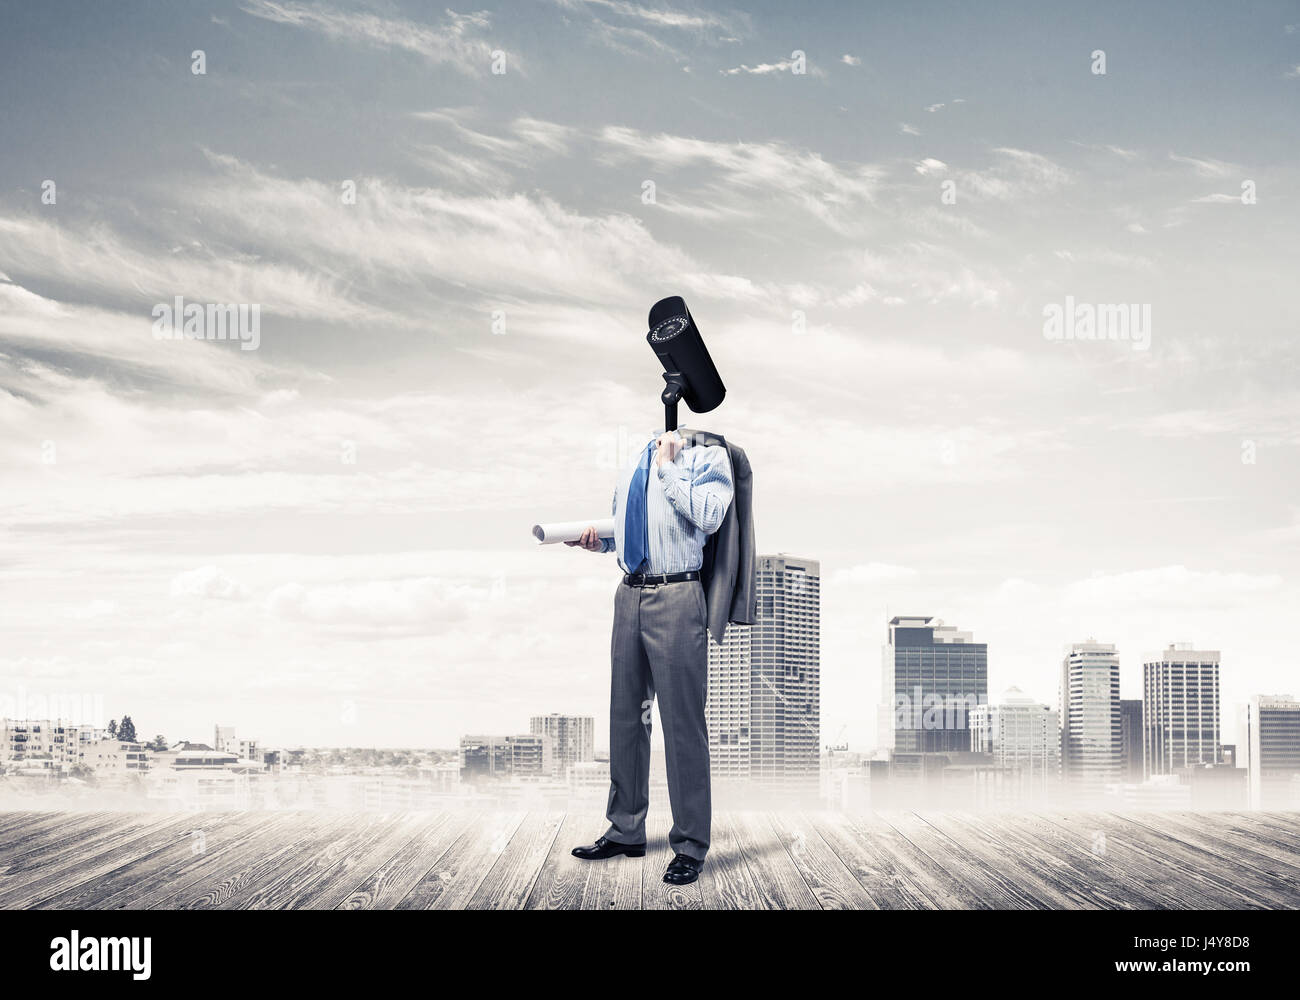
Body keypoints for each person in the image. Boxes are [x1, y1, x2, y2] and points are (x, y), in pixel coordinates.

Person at [566, 427, 734, 885]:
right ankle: (625, 830)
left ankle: (691, 846)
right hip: (628, 595)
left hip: (677, 593)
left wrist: (667, 466)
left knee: (682, 725)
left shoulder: (707, 457)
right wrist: (599, 542)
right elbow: (627, 529)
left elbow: (710, 516)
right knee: (627, 718)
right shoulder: (632, 462)